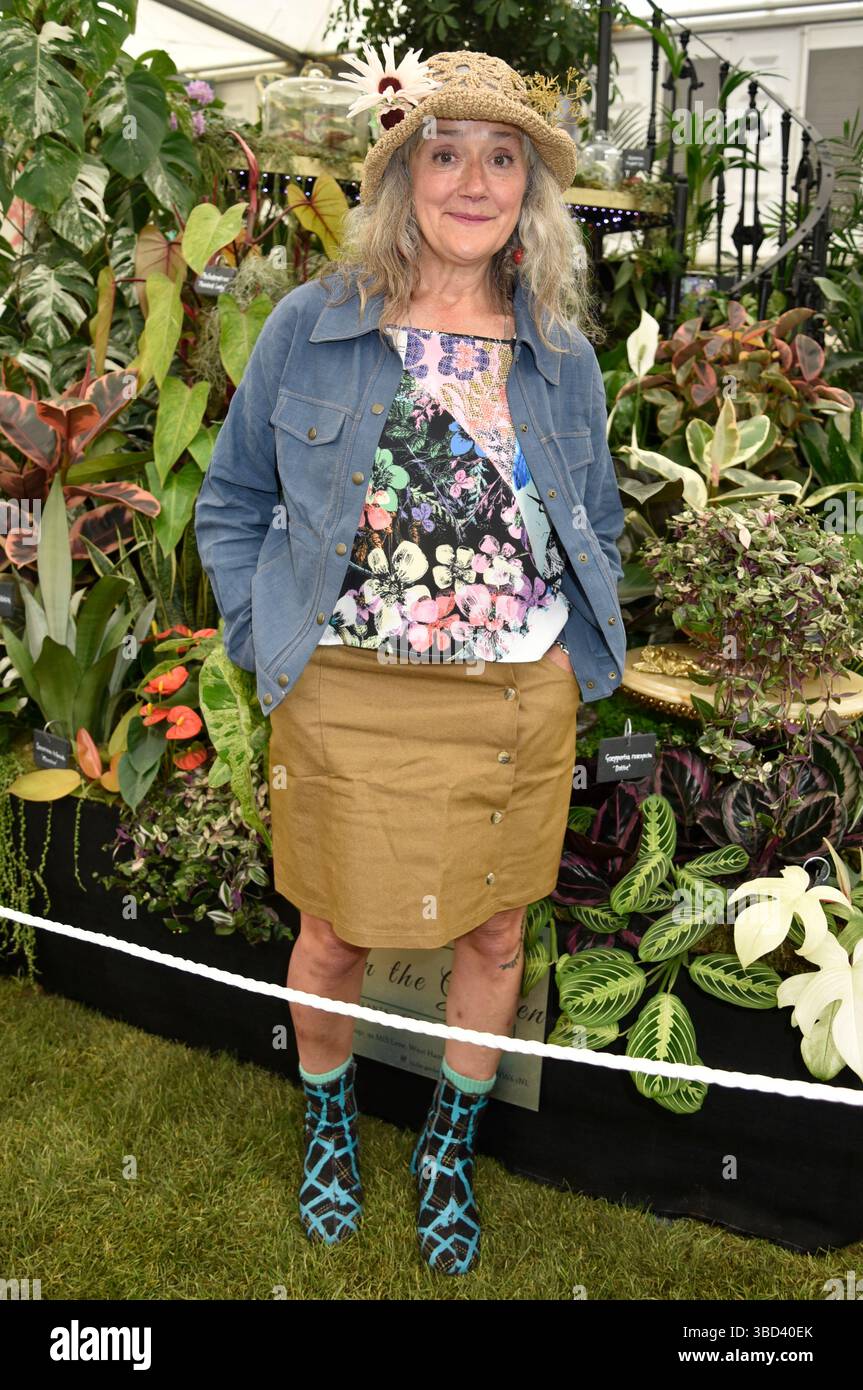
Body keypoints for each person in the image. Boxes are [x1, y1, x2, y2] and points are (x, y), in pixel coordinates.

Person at [194, 46, 626, 1277]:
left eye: (503, 159)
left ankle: (446, 1150)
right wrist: (261, 636)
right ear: (402, 179)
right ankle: (330, 1131)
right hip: (344, 696)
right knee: (330, 930)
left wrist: (572, 663)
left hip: (510, 695)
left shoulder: (558, 352)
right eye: (445, 153)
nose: (474, 182)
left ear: (530, 195)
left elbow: (588, 517)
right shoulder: (312, 326)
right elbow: (230, 505)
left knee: (493, 938)